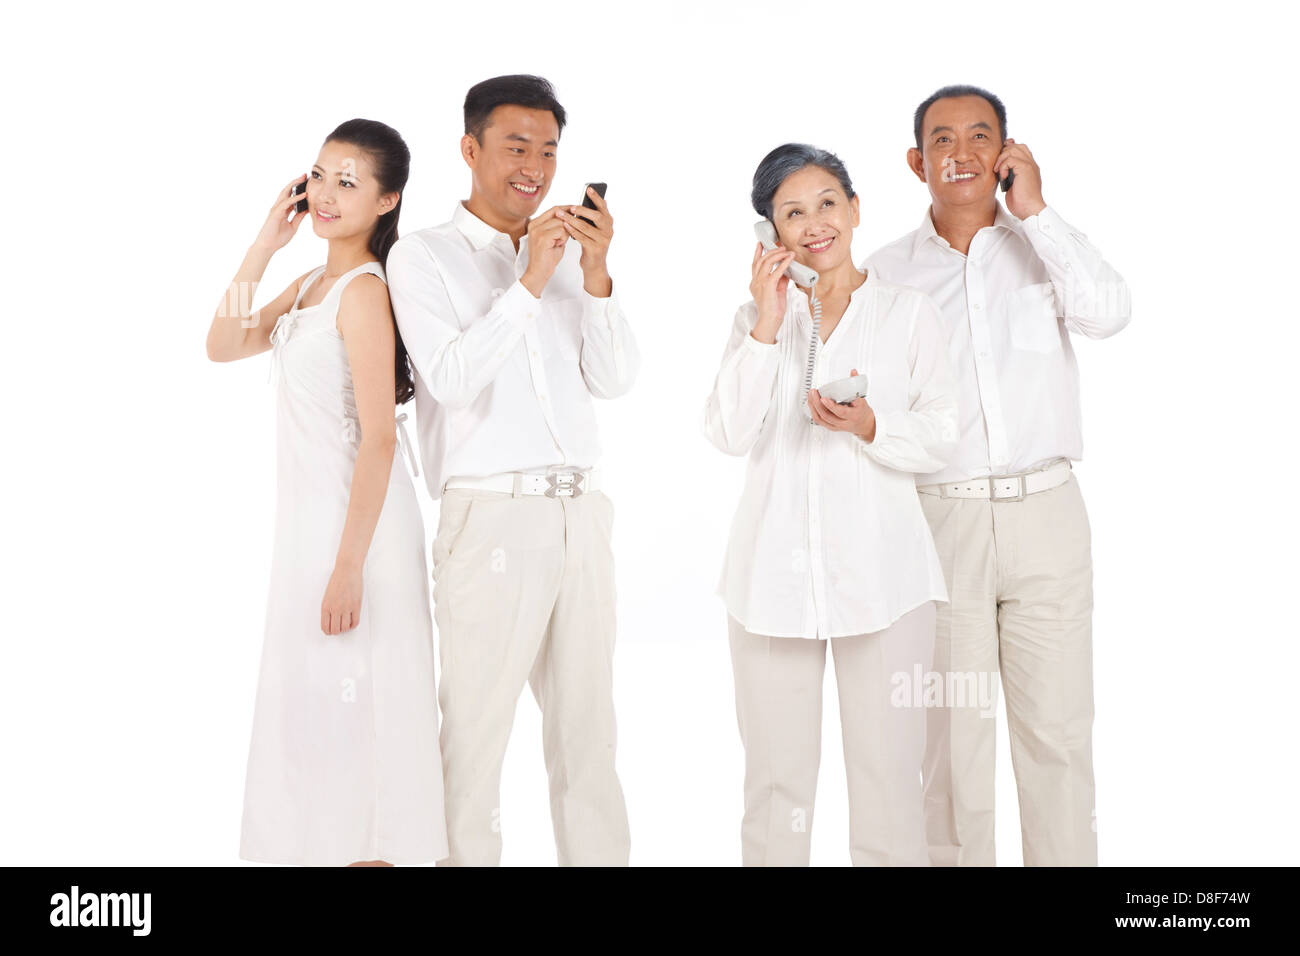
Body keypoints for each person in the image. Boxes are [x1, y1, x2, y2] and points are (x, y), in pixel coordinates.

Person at [863, 85, 1131, 867]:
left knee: (1059, 733)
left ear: (1007, 154)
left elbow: (1110, 312)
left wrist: (1039, 211)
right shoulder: (885, 277)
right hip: (939, 524)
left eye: (981, 136)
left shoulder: (1042, 249)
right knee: (953, 744)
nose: (962, 151)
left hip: (1047, 515)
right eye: (942, 138)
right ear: (918, 162)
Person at [386, 75, 639, 867]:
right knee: (475, 738)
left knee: (589, 739)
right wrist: (530, 277)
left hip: (582, 515)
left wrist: (593, 276)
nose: (534, 167)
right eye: (516, 147)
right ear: (470, 150)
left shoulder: (565, 253)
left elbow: (617, 378)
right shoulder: (421, 257)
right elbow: (453, 377)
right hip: (491, 516)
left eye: (549, 151)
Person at [702, 143, 959, 866]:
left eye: (825, 203)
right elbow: (727, 431)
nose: (814, 223)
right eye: (792, 213)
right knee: (777, 789)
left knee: (887, 786)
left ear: (854, 209)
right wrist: (766, 318)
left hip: (887, 584)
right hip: (770, 587)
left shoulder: (908, 314)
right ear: (770, 234)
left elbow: (942, 434)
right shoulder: (760, 319)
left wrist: (873, 426)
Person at [205, 119, 448, 867]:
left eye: (349, 181)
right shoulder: (310, 282)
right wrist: (263, 244)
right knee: (316, 714)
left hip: (359, 536)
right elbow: (223, 343)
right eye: (319, 174)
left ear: (387, 200)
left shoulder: (363, 293)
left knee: (362, 713)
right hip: (308, 535)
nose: (326, 193)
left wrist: (348, 567)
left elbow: (379, 439)